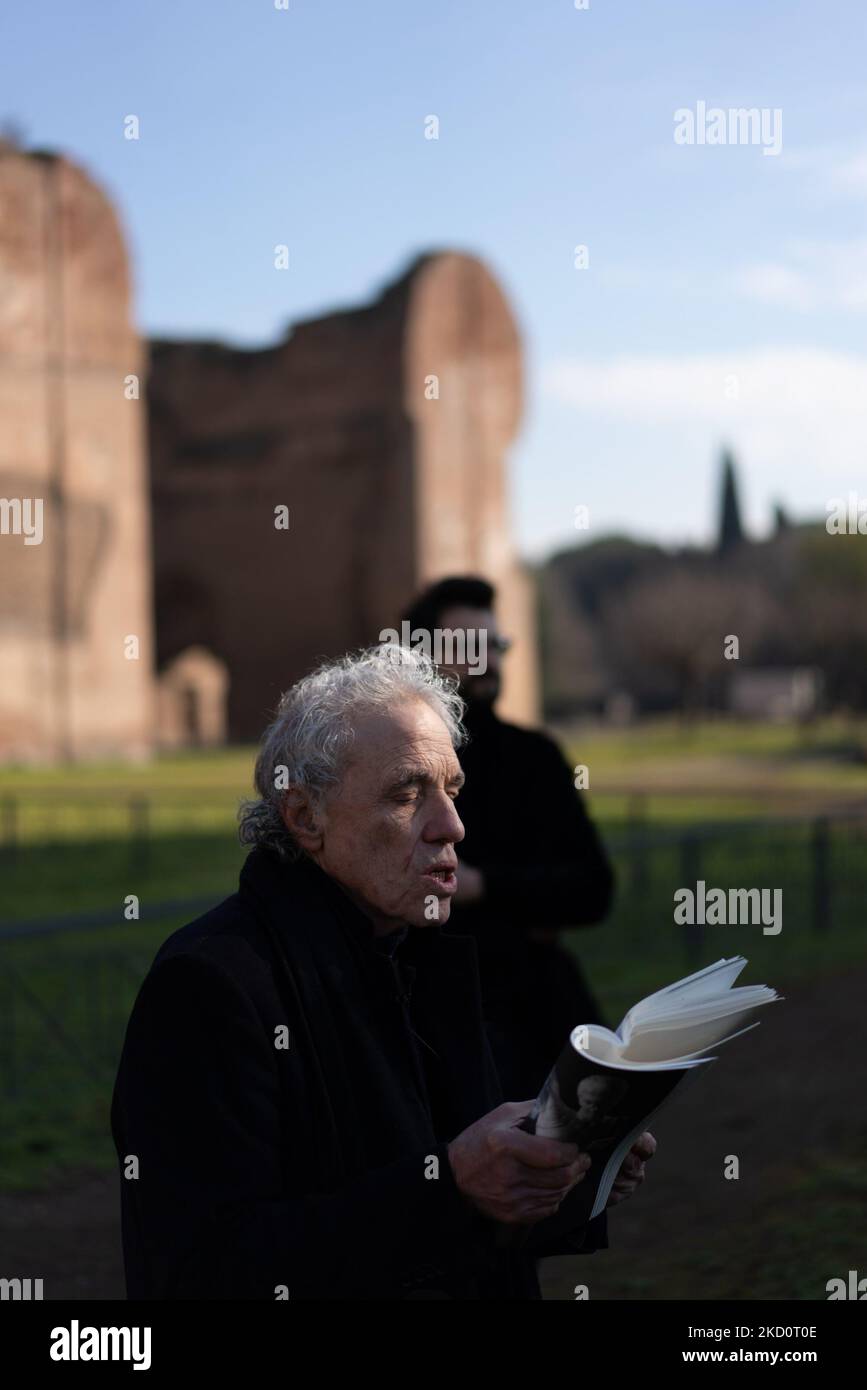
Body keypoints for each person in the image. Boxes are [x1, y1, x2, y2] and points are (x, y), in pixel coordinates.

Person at [111, 645, 654, 1300]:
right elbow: (202, 1272)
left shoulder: (423, 955)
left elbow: (466, 1224)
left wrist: (568, 1180)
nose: (451, 826)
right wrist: (451, 1185)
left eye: (452, 790)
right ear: (305, 816)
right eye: (406, 795)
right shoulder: (210, 986)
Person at [400, 577, 615, 1098]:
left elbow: (592, 889)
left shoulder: (534, 757)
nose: (488, 661)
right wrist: (527, 905)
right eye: (469, 647)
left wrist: (483, 886)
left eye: (496, 645)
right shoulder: (396, 764)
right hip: (426, 1025)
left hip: (540, 1016)